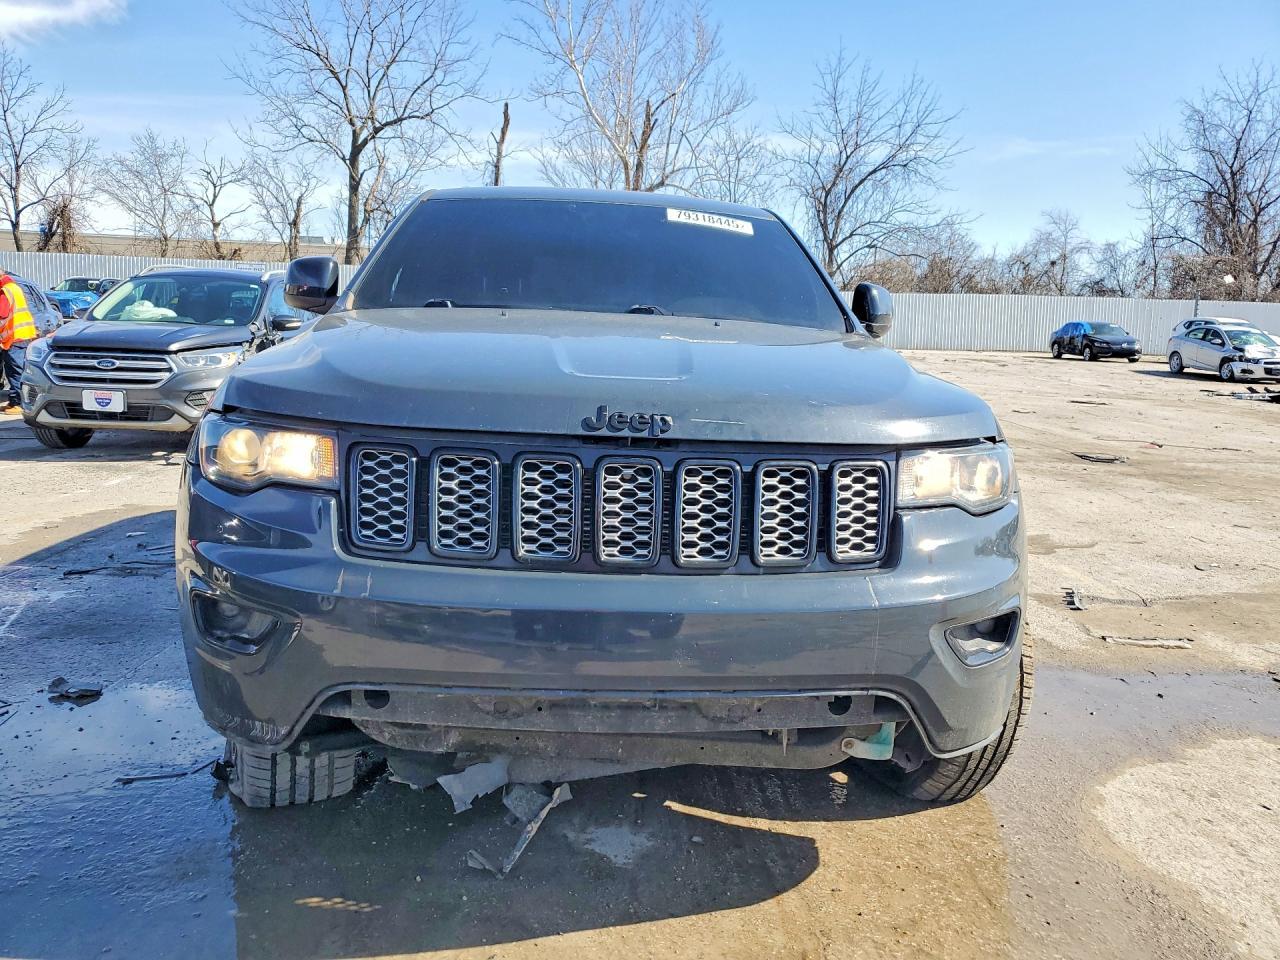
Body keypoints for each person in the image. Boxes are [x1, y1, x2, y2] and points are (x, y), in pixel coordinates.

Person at [1, 272, 39, 412]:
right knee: (14, 370)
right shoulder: (13, 287)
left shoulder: (5, 290)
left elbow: (2, 314)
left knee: (16, 371)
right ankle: (14, 401)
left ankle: (19, 403)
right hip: (21, 335)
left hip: (15, 337)